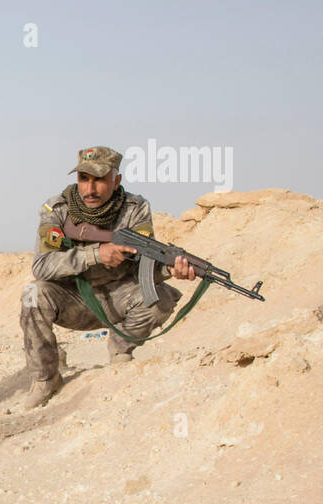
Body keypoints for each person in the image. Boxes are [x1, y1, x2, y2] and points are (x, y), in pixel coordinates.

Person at [21, 146, 199, 409]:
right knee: (32, 294)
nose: (90, 189)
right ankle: (45, 378)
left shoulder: (135, 209)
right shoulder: (57, 209)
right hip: (75, 300)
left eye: (99, 180)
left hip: (119, 297)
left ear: (116, 181)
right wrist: (96, 255)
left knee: (160, 297)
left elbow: (143, 263)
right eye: (83, 179)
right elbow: (42, 266)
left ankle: (120, 350)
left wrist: (171, 270)